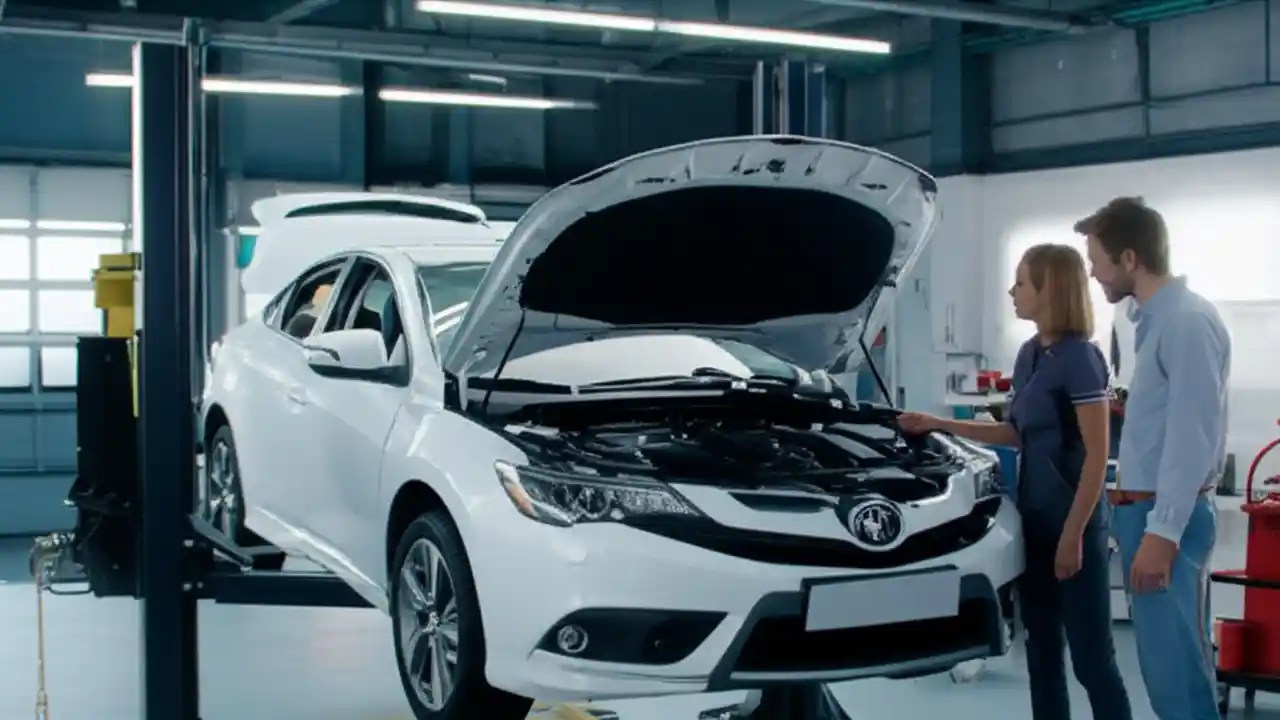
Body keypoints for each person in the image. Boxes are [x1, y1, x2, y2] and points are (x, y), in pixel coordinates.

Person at [899, 243, 1132, 720]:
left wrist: (1073, 537)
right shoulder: (1029, 355)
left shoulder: (1082, 359)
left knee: (1092, 663)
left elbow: (1097, 455)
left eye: (1022, 283)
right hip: (1035, 524)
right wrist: (939, 423)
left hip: (1076, 527)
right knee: (1042, 656)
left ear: (1050, 289)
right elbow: (1015, 433)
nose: (1012, 291)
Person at [1077, 197, 1230, 720]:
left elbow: (1192, 438)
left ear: (1129, 258)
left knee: (1176, 675)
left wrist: (1162, 535)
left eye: (1097, 261)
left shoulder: (1185, 322)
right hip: (1148, 511)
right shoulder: (1156, 321)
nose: (1092, 272)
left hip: (1163, 518)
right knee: (1170, 671)